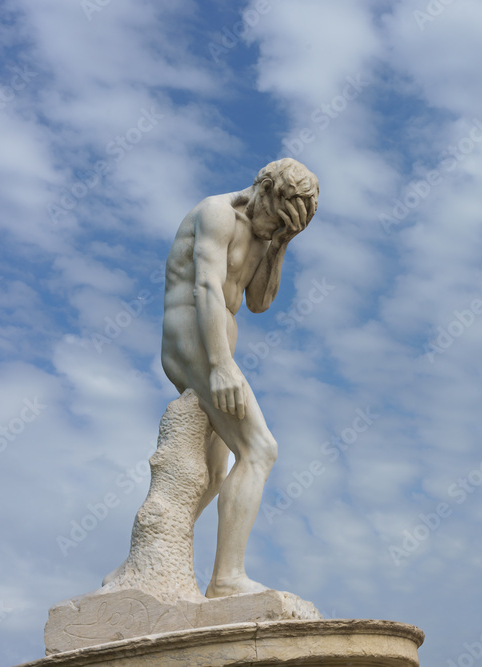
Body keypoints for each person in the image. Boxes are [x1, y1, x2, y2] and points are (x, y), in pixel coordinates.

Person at [159, 158, 318, 597]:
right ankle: (227, 579)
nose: (271, 230)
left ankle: (147, 556)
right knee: (260, 449)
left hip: (217, 340)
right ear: (263, 190)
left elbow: (259, 302)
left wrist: (281, 243)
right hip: (194, 334)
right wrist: (220, 364)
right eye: (274, 219)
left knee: (210, 475)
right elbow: (206, 287)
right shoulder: (216, 212)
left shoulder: (266, 233)